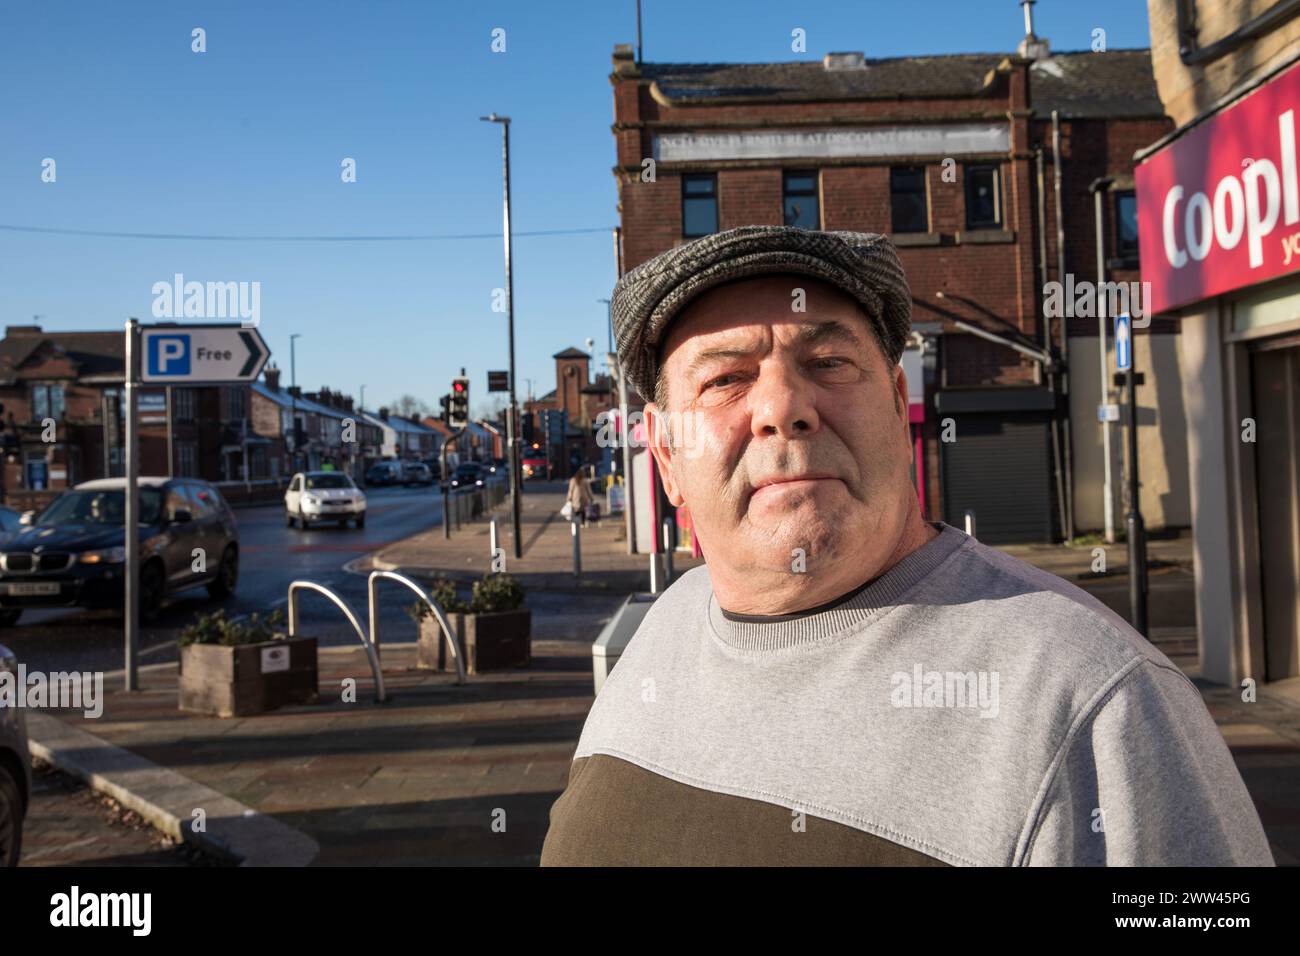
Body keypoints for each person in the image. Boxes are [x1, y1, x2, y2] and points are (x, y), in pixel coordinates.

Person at [539, 224, 1274, 867]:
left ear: (897, 406)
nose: (784, 408)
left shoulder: (1096, 702)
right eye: (726, 380)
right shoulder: (663, 630)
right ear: (667, 458)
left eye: (828, 364)